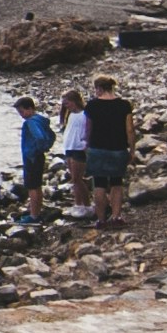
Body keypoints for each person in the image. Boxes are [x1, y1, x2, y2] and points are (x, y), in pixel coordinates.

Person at [85, 71, 132, 224]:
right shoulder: (124, 105)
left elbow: (88, 129)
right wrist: (132, 149)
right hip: (118, 148)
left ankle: (101, 220)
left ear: (99, 88)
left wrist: (87, 145)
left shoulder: (92, 105)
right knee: (117, 183)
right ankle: (116, 216)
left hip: (97, 148)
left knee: (99, 184)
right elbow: (130, 129)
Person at [17, 92, 55, 217]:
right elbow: (52, 135)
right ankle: (37, 212)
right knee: (37, 185)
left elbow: (39, 137)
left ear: (30, 108)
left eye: (22, 111)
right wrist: (46, 147)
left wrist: (37, 149)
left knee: (32, 187)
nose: (21, 115)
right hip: (38, 156)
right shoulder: (40, 120)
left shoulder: (30, 122)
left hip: (31, 157)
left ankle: (34, 215)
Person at [58, 87, 92, 216]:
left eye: (67, 103)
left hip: (79, 148)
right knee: (74, 179)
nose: (66, 106)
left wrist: (86, 143)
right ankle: (78, 204)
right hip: (69, 147)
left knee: (77, 179)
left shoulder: (85, 114)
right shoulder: (71, 115)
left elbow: (89, 130)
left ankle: (87, 206)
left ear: (75, 101)